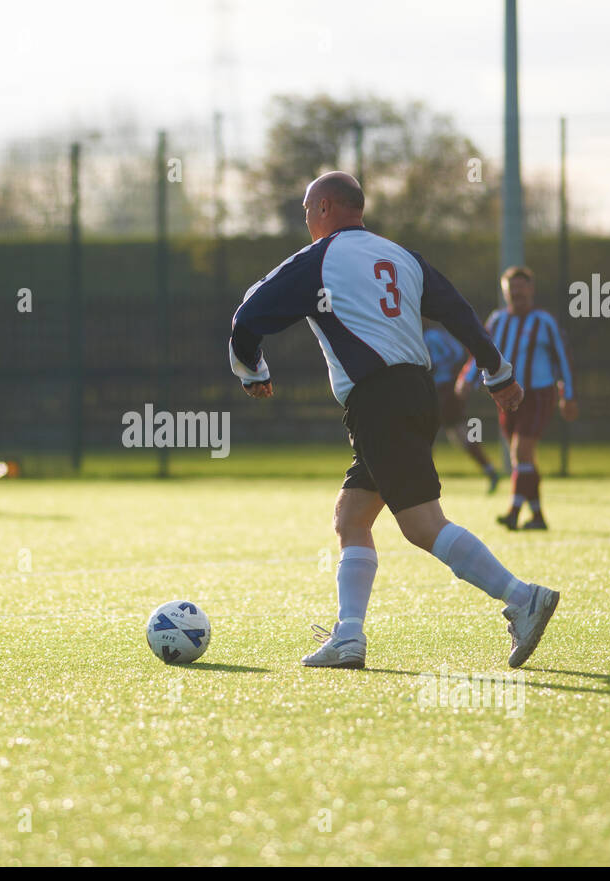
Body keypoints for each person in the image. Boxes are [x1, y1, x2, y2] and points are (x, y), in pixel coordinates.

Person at [229, 171, 559, 670]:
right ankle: (349, 636)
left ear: (323, 209)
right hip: (417, 394)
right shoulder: (403, 258)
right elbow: (459, 312)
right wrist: (497, 371)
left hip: (379, 400)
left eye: (305, 210)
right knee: (352, 517)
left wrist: (253, 370)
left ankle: (521, 596)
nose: (304, 219)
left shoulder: (319, 260)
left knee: (422, 525)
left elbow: (247, 314)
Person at [456, 266, 577, 530]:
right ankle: (537, 516)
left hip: (538, 394)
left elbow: (563, 358)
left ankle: (513, 512)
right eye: (512, 290)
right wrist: (467, 380)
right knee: (522, 458)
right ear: (505, 292)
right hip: (506, 395)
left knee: (521, 451)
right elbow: (481, 353)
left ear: (531, 290)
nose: (517, 295)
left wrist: (567, 395)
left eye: (522, 289)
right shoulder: (497, 320)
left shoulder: (544, 322)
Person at [423, 319, 500, 492]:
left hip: (443, 390)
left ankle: (424, 480)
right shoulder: (431, 334)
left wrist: (441, 372)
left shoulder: (432, 336)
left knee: (430, 435)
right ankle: (489, 470)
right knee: (455, 434)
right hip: (438, 390)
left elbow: (456, 354)